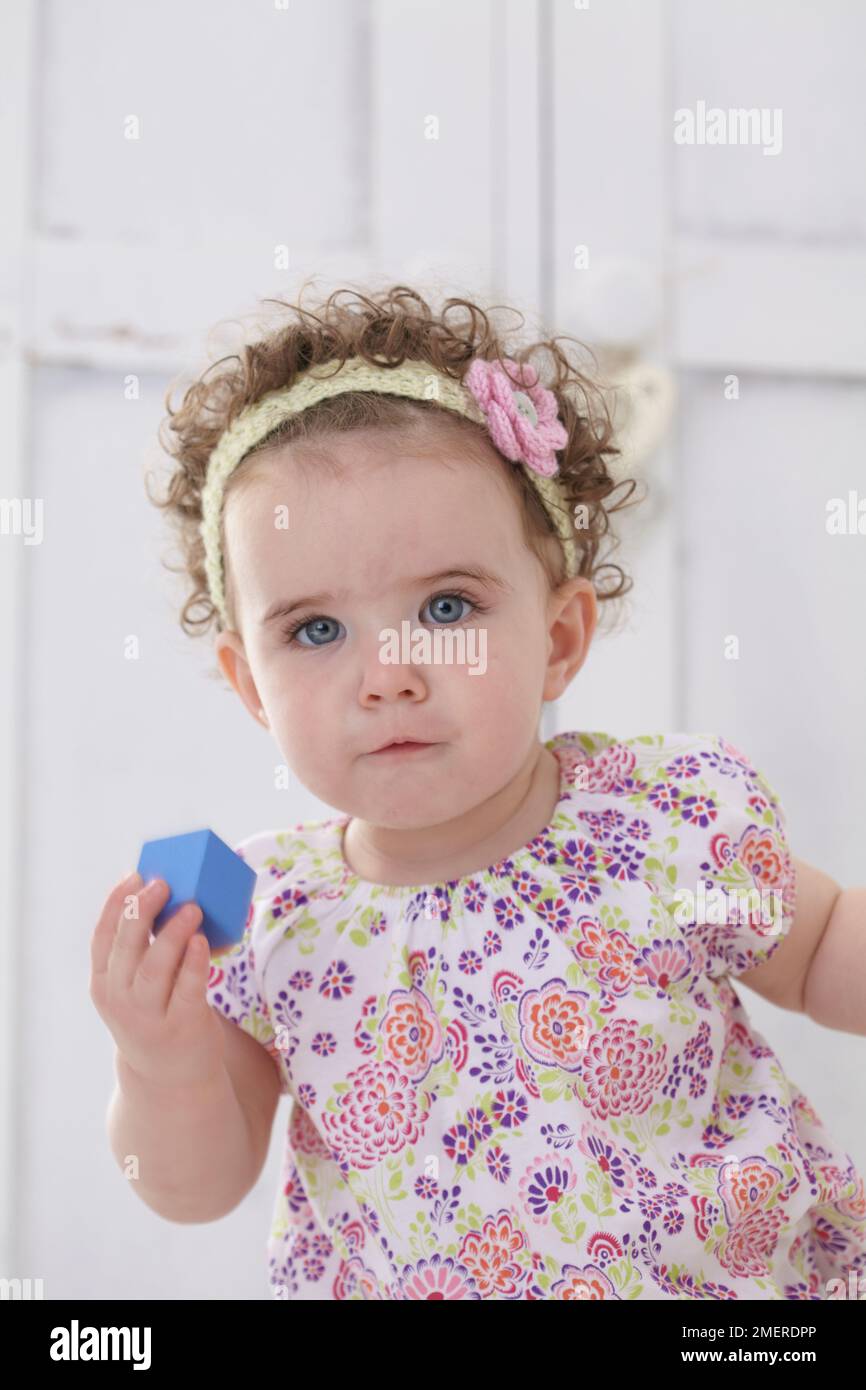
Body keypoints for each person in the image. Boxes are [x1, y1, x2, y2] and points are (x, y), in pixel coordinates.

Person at [91, 283, 866, 1300]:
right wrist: (158, 1056)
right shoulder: (273, 917)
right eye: (316, 630)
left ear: (556, 638)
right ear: (249, 683)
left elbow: (820, 952)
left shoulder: (658, 822)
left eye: (445, 605)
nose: (388, 673)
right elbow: (193, 1187)